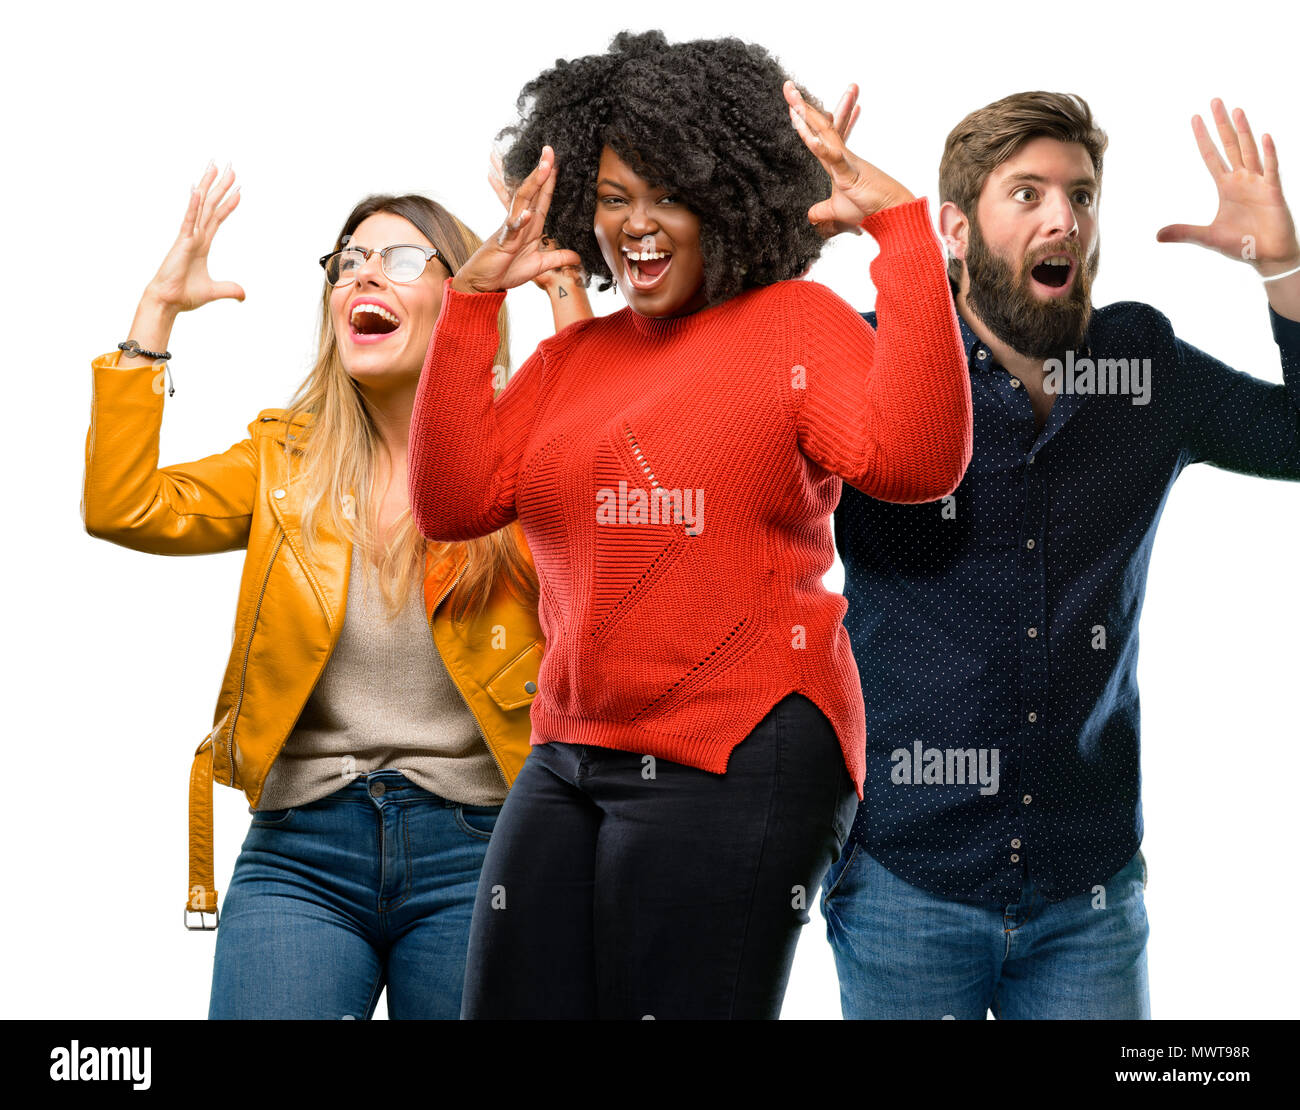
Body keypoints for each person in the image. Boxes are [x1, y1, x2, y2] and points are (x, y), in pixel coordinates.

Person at [405, 29, 974, 1019]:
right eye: (614, 197)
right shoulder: (571, 361)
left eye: (667, 194)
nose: (637, 227)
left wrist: (903, 238)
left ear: (726, 199)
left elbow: (918, 463)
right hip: (572, 749)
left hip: (742, 743)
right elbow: (452, 501)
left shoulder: (793, 324)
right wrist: (470, 299)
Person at [822, 91, 1300, 1018]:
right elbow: (723, 463)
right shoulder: (873, 363)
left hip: (1090, 891)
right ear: (954, 228)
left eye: (1080, 196)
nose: (1063, 220)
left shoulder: (1143, 369)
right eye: (1028, 193)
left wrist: (1283, 267)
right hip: (906, 883)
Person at [80, 163, 581, 1018]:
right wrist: (156, 311)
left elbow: (610, 496)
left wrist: (566, 291)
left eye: (398, 259)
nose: (363, 276)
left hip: (481, 847)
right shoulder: (285, 462)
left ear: (465, 296)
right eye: (347, 262)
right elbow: (123, 506)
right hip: (300, 849)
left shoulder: (521, 457)